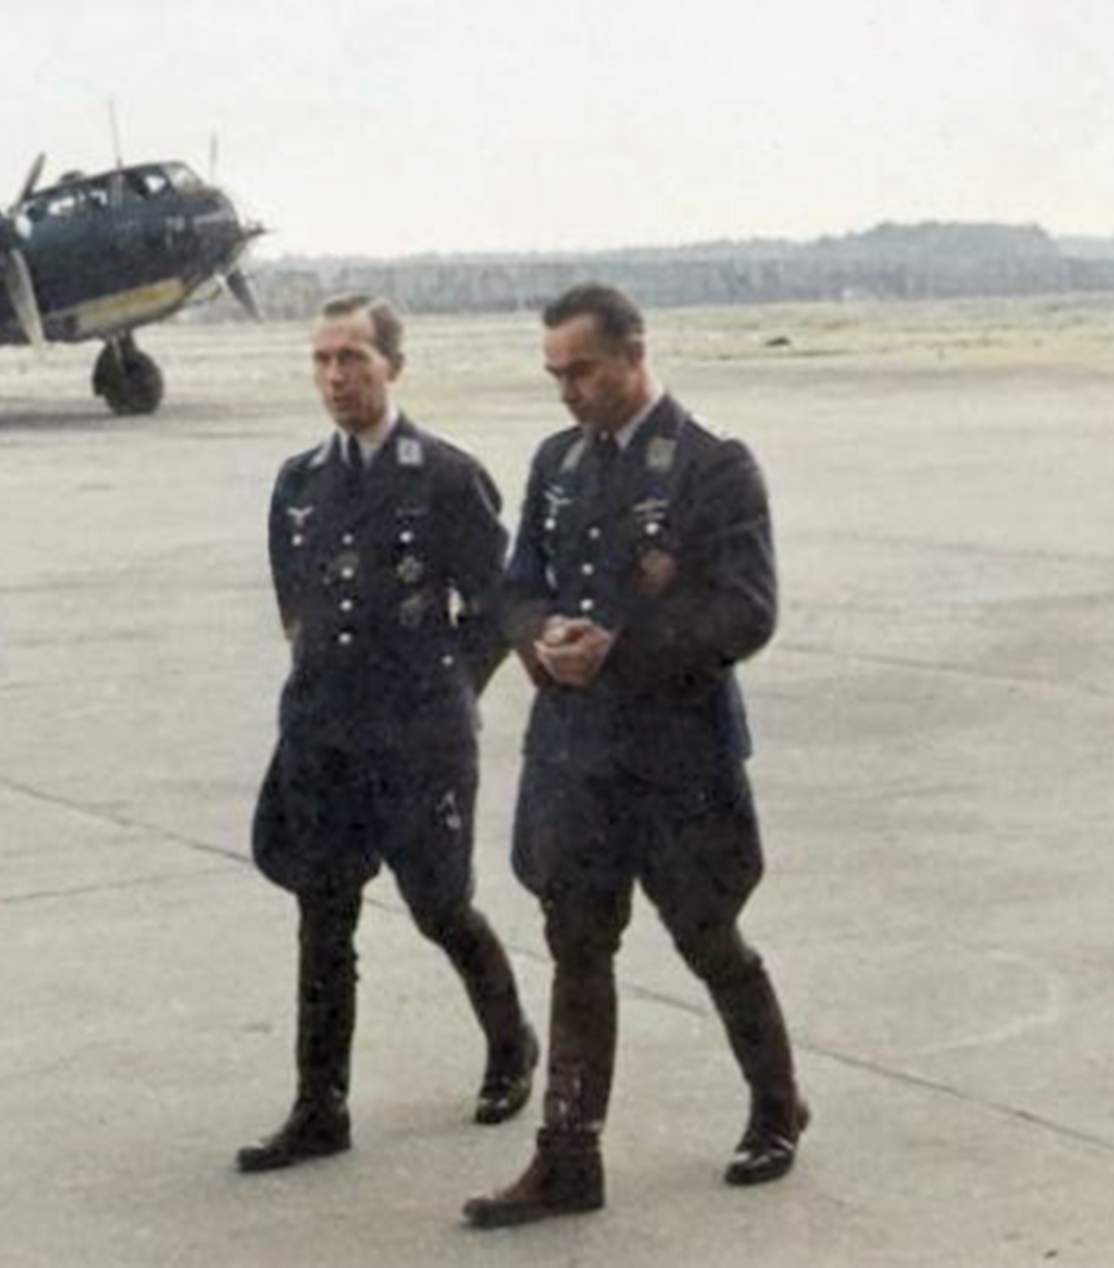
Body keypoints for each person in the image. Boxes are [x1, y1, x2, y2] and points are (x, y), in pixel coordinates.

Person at [463, 283, 807, 1228]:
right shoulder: (558, 462)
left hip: (678, 760)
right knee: (578, 945)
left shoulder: (712, 465)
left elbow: (747, 610)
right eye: (554, 375)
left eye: (584, 371)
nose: (567, 391)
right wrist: (539, 639)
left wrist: (623, 643)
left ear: (634, 352)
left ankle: (777, 1106)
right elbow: (517, 584)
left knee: (707, 938)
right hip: (577, 755)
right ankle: (568, 1156)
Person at [238, 294, 538, 1173]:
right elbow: (297, 608)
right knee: (322, 918)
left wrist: (448, 691)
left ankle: (512, 1041)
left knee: (440, 906)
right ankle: (318, 1107)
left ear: (393, 367)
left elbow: (497, 607)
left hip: (417, 738)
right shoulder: (299, 481)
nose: (336, 377)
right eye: (323, 360)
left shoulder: (445, 475)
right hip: (324, 736)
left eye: (354, 359)